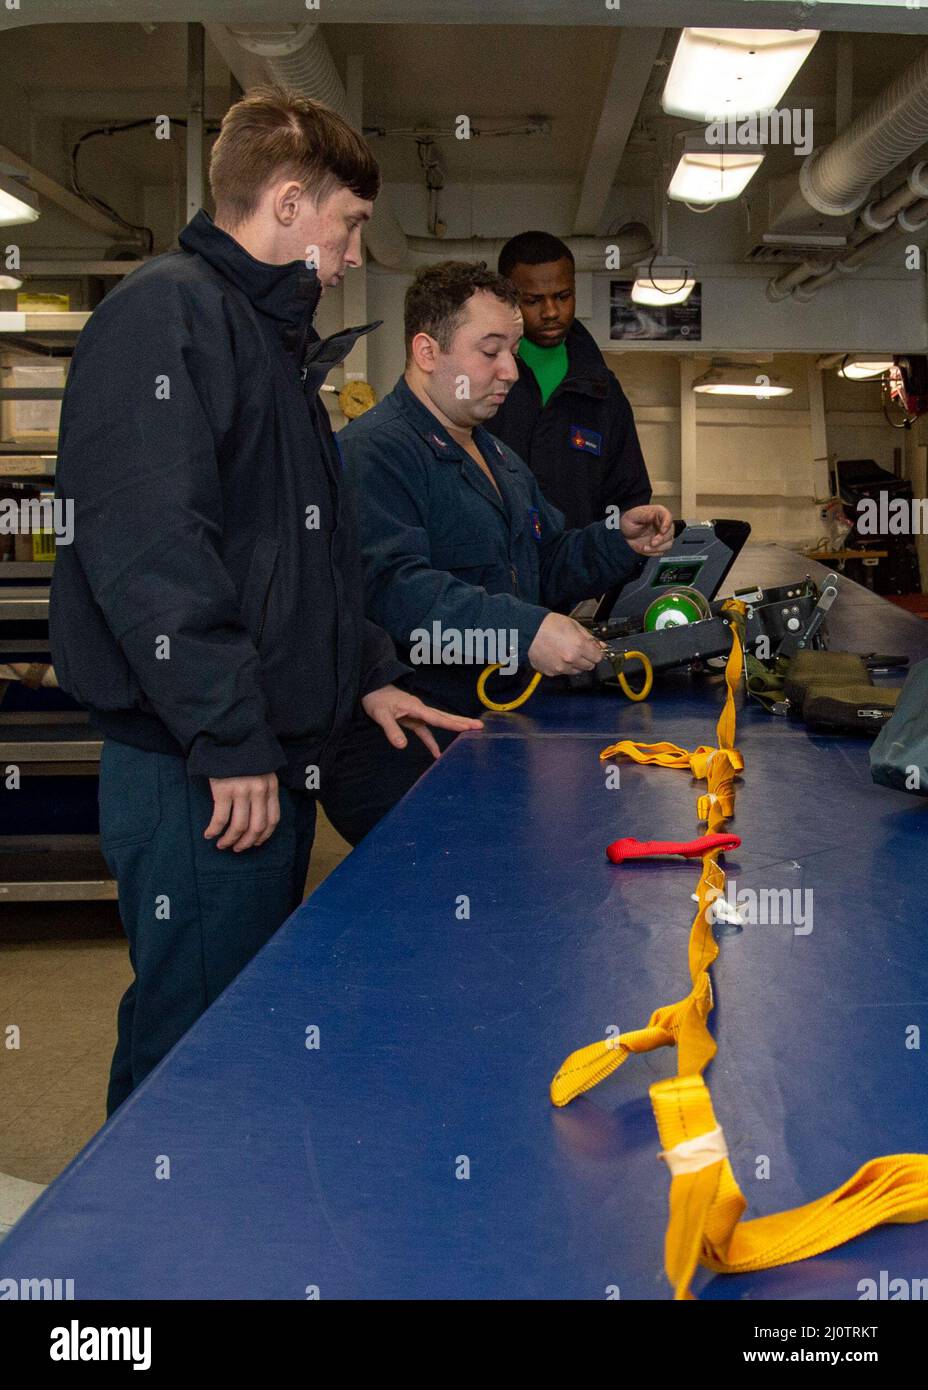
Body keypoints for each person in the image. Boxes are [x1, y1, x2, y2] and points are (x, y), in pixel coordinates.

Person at [49, 87, 479, 1114]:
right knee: (192, 1046)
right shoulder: (165, 315)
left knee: (238, 1031)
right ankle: (147, 1260)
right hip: (195, 765)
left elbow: (298, 560)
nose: (355, 254)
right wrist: (231, 736)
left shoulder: (264, 340)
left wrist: (365, 673)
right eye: (351, 225)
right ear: (289, 204)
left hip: (254, 752)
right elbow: (151, 553)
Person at [320, 262, 673, 846]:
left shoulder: (501, 459)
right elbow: (391, 590)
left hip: (494, 731)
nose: (510, 371)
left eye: (513, 350)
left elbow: (548, 561)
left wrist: (617, 541)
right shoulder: (372, 453)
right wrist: (524, 631)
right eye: (491, 352)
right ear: (428, 351)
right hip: (410, 747)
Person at [488, 230, 652, 529]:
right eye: (534, 300)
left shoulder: (603, 390)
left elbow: (629, 497)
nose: (551, 311)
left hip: (578, 571)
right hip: (494, 570)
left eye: (563, 296)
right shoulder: (480, 379)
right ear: (507, 299)